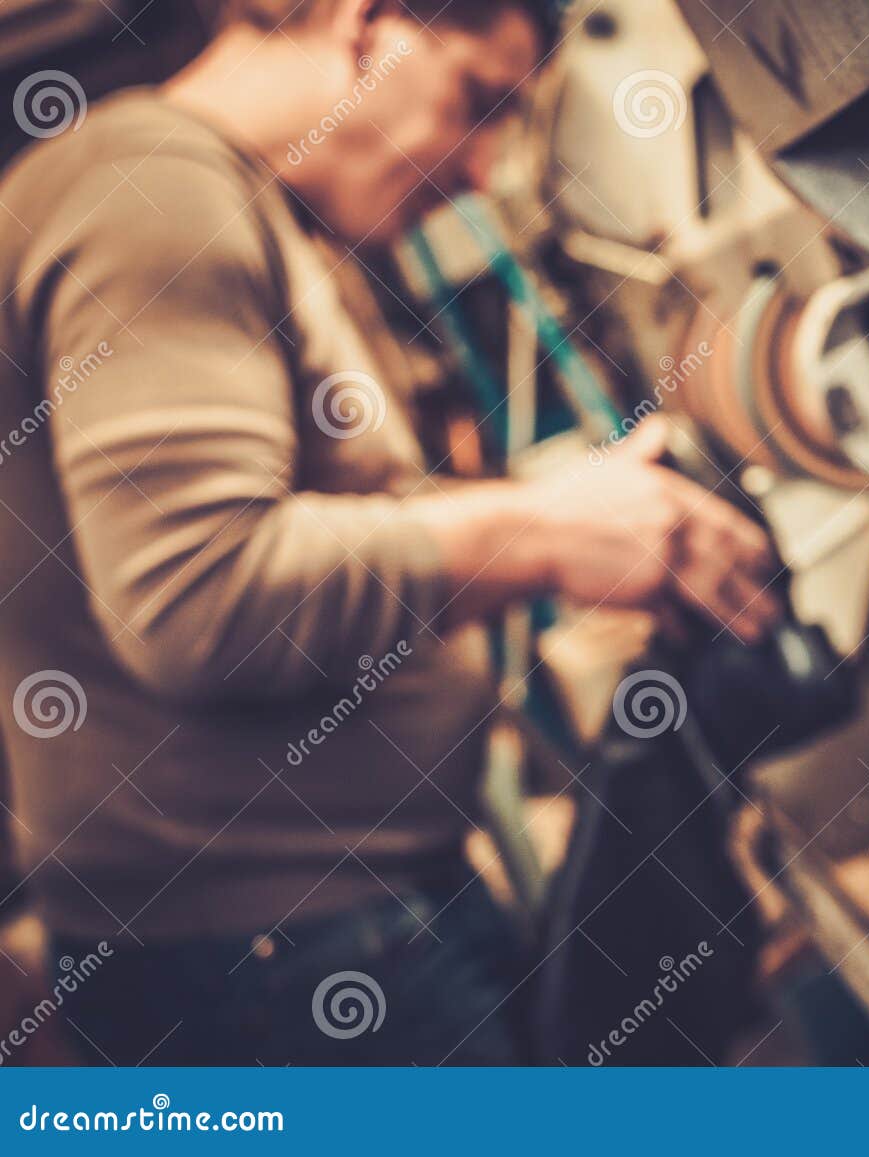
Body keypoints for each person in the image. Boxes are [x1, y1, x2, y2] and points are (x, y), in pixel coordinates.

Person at [0, 0, 780, 1064]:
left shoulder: (238, 204)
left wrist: (576, 508)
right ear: (363, 25)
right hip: (287, 954)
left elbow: (284, 530)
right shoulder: (152, 185)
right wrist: (540, 533)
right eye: (477, 102)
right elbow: (197, 596)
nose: (483, 167)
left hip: (316, 924)